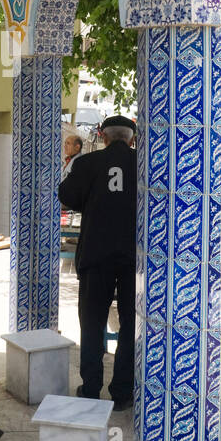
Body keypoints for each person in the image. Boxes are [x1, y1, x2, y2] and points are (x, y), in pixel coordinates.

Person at [57, 114, 137, 409]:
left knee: (91, 322)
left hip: (95, 254)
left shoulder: (88, 163)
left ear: (103, 136)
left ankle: (90, 387)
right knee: (130, 323)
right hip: (132, 258)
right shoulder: (143, 164)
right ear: (132, 139)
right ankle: (122, 392)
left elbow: (66, 195)